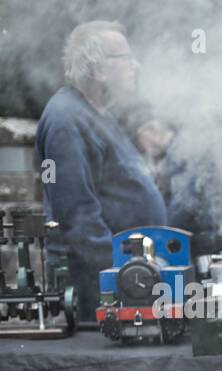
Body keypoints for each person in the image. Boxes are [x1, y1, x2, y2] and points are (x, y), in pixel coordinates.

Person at [35, 21, 167, 327]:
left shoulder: (95, 113)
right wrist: (125, 274)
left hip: (126, 278)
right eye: (125, 58)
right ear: (98, 70)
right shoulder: (66, 120)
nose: (136, 65)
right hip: (99, 286)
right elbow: (78, 219)